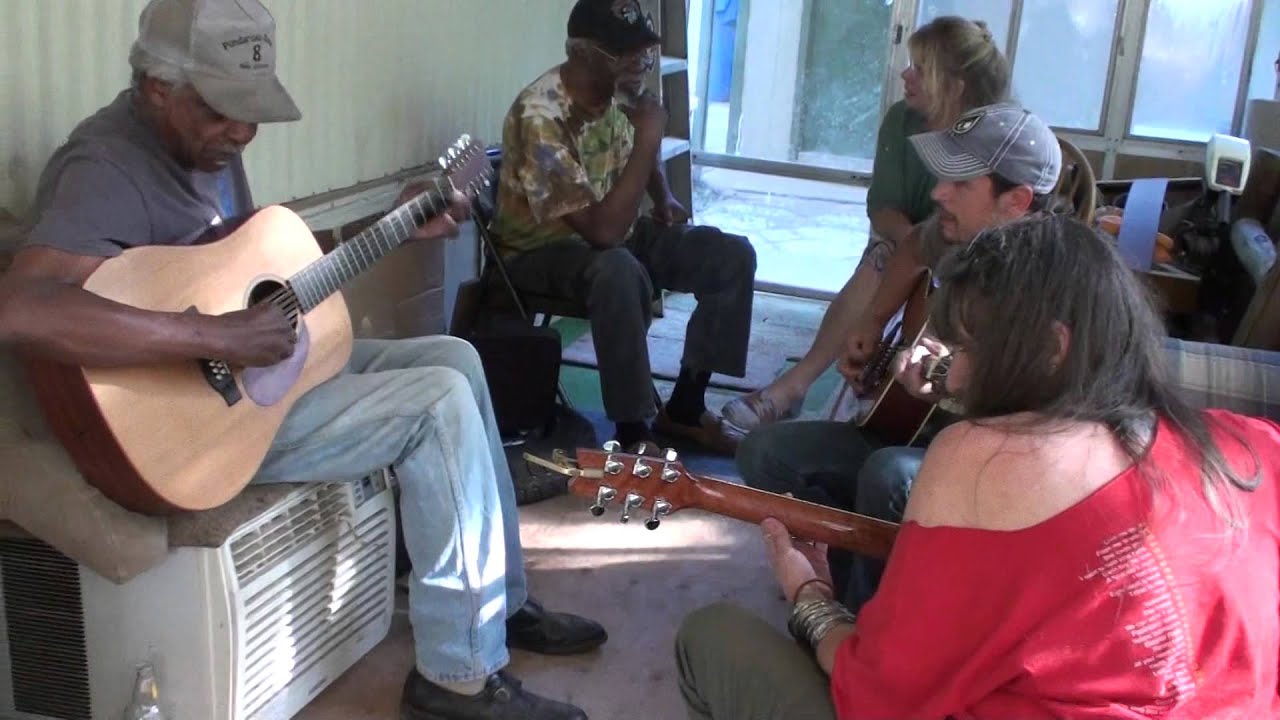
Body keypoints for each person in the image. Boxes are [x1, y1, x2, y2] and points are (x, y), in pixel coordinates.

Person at [0, 2, 603, 718]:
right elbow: (22, 308)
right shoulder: (103, 166)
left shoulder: (206, 148)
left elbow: (261, 268)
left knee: (454, 356)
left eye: (252, 111)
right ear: (157, 88)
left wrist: (402, 225)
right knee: (434, 405)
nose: (242, 131)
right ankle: (458, 679)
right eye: (222, 110)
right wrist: (215, 339)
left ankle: (500, 605)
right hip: (192, 435)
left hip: (250, 392)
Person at [677, 213, 1280, 720]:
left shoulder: (980, 459)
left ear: (1051, 347)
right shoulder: (1254, 445)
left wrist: (809, 598)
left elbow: (876, 697)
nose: (952, 367)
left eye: (967, 346)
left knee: (709, 636)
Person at [736, 102, 1062, 610]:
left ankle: (873, 629)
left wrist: (948, 381)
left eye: (961, 183)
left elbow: (1039, 424)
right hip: (905, 430)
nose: (937, 192)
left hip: (983, 467)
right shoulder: (958, 233)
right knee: (764, 453)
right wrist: (872, 324)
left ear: (1016, 201)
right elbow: (912, 246)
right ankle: (848, 580)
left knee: (887, 476)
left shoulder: (1051, 286)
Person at [492, 0, 757, 454]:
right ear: (581, 53)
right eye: (624, 54)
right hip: (540, 250)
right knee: (616, 269)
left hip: (613, 229)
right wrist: (651, 137)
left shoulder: (618, 91)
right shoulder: (540, 116)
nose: (639, 64)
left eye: (643, 53)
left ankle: (686, 408)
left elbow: (632, 142)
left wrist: (663, 195)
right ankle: (633, 431)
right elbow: (602, 234)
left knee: (730, 256)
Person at [722, 16, 1009, 432]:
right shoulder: (901, 121)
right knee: (885, 257)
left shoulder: (997, 133)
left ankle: (844, 394)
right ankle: (802, 387)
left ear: (954, 84)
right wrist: (917, 248)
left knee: (897, 262)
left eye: (920, 69)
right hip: (910, 250)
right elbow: (882, 208)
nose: (905, 73)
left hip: (975, 260)